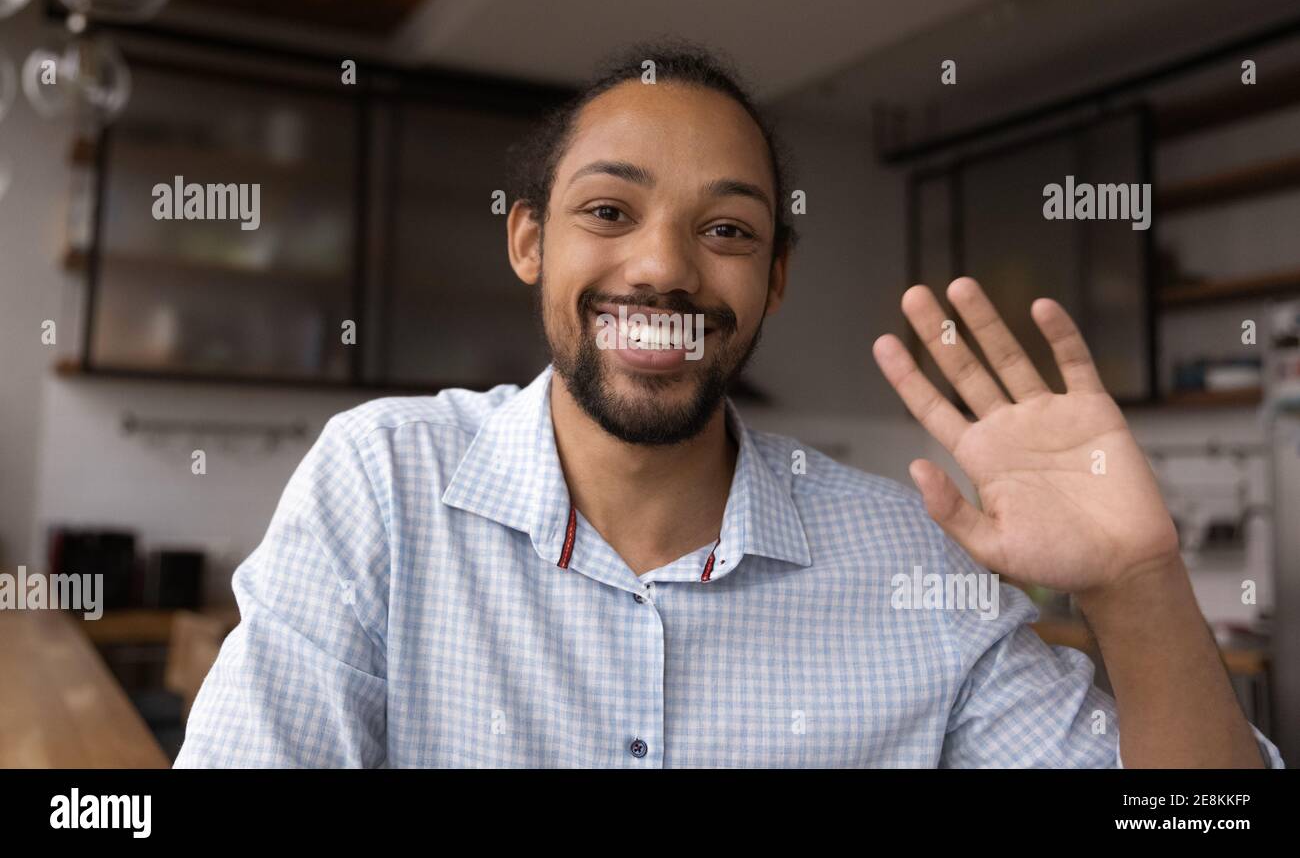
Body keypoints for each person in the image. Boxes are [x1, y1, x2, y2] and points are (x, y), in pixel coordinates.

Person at [175, 40, 1283, 768]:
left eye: (727, 229)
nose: (662, 269)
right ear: (529, 240)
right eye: (608, 209)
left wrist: (1135, 585)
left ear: (773, 279)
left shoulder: (919, 563)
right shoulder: (383, 480)